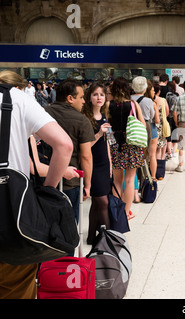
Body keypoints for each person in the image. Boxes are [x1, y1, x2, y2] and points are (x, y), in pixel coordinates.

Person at [0, 70, 73, 299]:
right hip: (9, 215)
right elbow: (64, 145)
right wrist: (49, 190)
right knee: (15, 285)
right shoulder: (15, 98)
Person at [44, 78, 95, 222]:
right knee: (69, 225)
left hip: (43, 177)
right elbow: (86, 156)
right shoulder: (81, 120)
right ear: (70, 98)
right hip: (70, 182)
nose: (84, 101)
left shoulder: (43, 112)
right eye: (81, 97)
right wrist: (87, 184)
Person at [108, 77, 146, 219]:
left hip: (115, 144)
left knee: (117, 179)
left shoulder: (108, 105)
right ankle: (126, 212)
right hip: (132, 145)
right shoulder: (133, 104)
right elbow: (142, 124)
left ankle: (116, 211)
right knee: (129, 180)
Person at [81, 82, 112, 244]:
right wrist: (99, 133)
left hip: (103, 163)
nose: (99, 98)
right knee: (103, 201)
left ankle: (91, 236)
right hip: (91, 164)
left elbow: (107, 142)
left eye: (102, 94)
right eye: (95, 94)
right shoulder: (86, 119)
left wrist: (111, 163)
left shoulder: (104, 115)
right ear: (89, 97)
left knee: (96, 202)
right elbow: (85, 147)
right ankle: (109, 241)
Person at [131, 76, 155, 163]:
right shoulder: (148, 100)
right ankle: (143, 171)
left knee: (133, 149)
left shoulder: (129, 99)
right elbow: (152, 115)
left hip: (131, 126)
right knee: (145, 149)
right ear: (145, 88)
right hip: (145, 125)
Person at [143, 79, 160, 181]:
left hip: (139, 130)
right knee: (152, 155)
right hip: (152, 128)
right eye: (153, 90)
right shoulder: (152, 103)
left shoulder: (134, 100)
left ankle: (142, 177)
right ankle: (153, 177)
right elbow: (157, 120)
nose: (154, 92)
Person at [154, 84, 169, 160]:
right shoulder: (163, 100)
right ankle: (158, 165)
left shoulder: (150, 100)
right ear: (159, 91)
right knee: (159, 148)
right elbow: (167, 112)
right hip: (161, 125)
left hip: (152, 125)